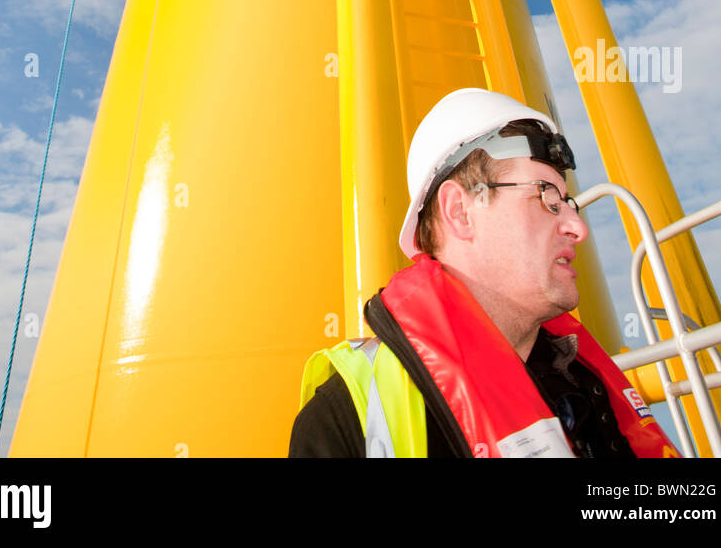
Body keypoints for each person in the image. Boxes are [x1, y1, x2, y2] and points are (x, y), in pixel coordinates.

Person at [289, 89, 681, 459]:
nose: (578, 229)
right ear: (460, 211)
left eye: (569, 204)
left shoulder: (582, 390)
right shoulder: (348, 414)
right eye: (546, 197)